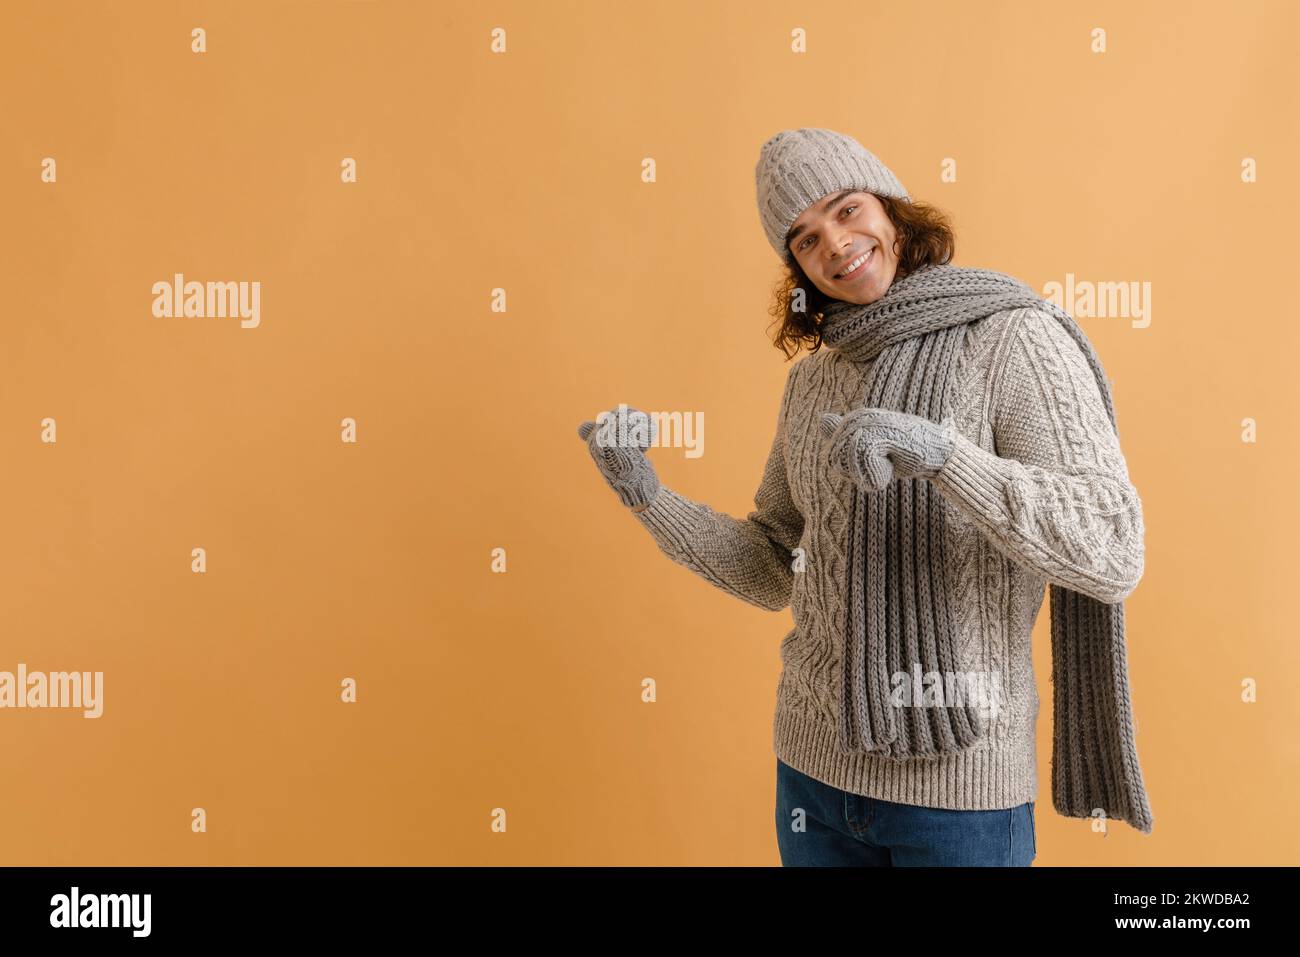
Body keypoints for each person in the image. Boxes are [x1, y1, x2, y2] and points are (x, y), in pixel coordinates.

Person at [577, 128, 1152, 866]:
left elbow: (1111, 545)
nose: (836, 245)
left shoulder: (1013, 337)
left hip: (959, 797)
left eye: (848, 211)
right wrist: (646, 492)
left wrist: (947, 458)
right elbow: (770, 561)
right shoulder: (814, 380)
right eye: (806, 240)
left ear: (892, 211)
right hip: (813, 779)